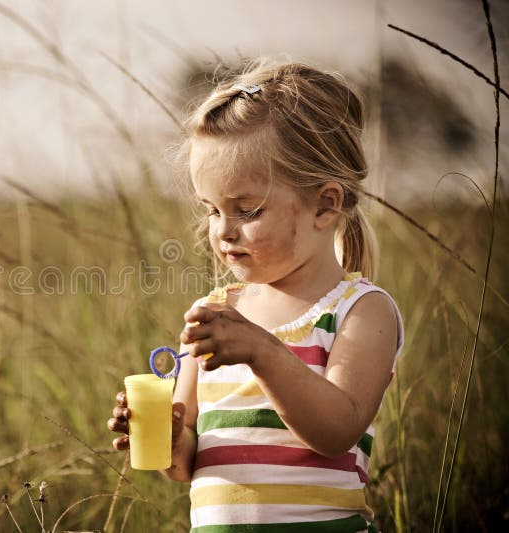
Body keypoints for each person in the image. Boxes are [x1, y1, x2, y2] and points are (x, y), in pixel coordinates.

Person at [107, 59, 404, 531]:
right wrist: (162, 436)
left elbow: (336, 431)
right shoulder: (215, 315)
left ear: (324, 205)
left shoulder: (361, 311)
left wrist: (262, 351)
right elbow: (187, 461)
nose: (223, 231)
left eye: (247, 210)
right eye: (211, 211)